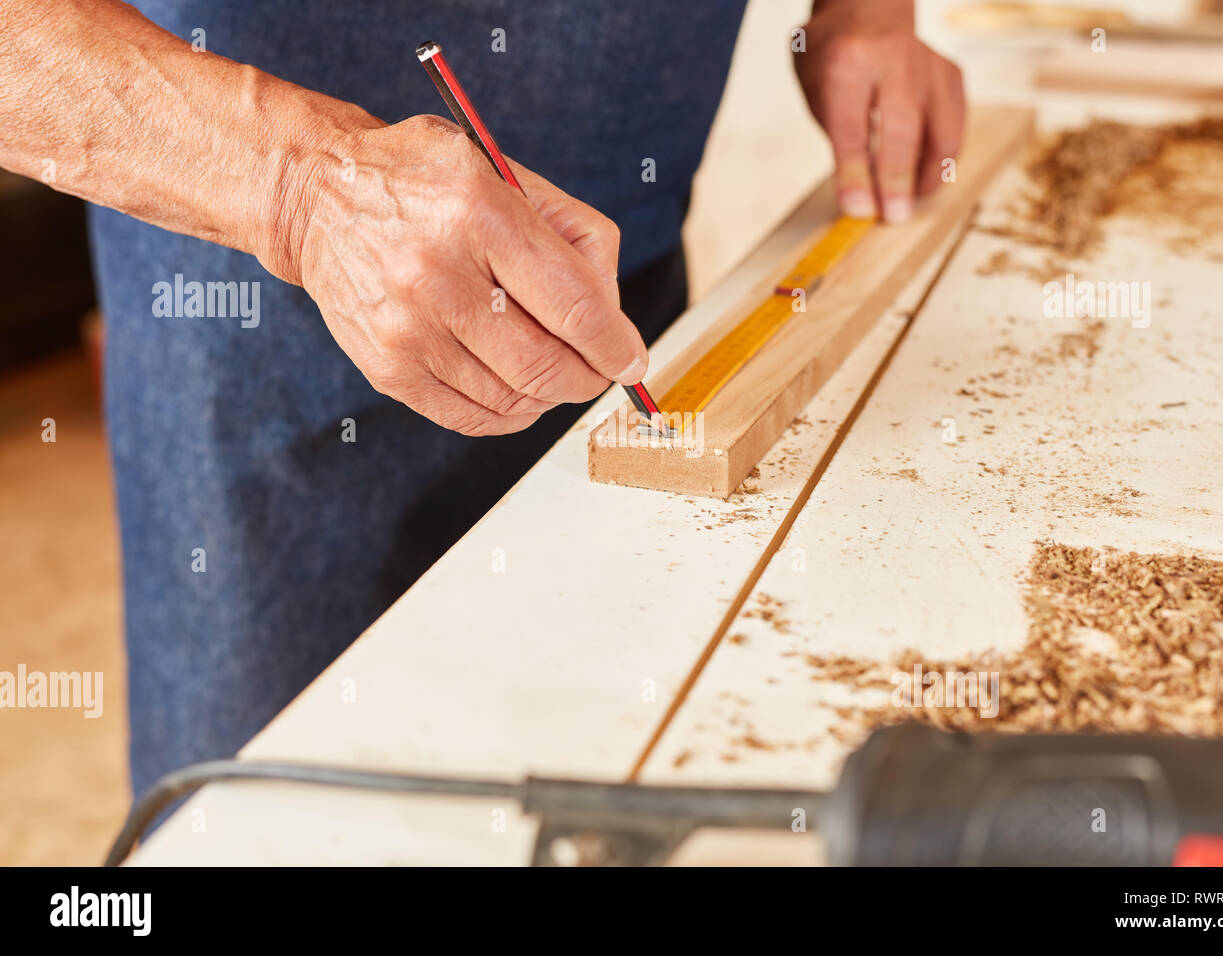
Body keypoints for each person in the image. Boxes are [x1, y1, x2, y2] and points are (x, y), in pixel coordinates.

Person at [1, 0, 964, 794]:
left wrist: (865, 16)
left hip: (620, 299)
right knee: (289, 816)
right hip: (263, 331)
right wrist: (299, 186)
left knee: (605, 774)